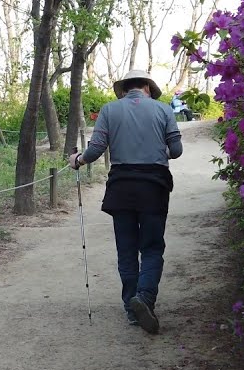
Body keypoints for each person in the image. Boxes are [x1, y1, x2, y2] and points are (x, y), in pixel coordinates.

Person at [70, 68, 183, 334]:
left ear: (124, 89)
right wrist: (159, 149)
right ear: (147, 87)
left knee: (127, 249)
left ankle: (132, 310)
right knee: (153, 248)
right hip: (154, 186)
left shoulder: (109, 110)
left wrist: (78, 161)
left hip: (121, 187)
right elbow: (176, 151)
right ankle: (144, 298)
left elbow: (96, 149)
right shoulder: (164, 110)